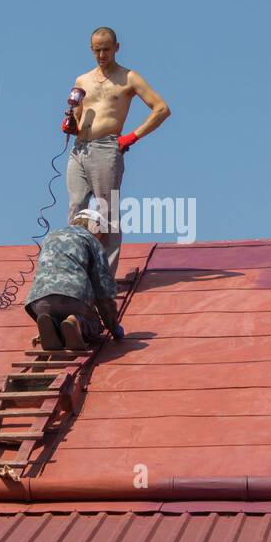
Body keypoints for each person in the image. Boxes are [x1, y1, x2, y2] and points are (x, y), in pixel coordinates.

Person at [63, 26, 171, 277]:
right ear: (91, 49)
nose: (102, 54)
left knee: (105, 211)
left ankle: (105, 279)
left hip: (106, 148)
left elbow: (161, 109)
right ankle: (75, 272)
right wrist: (70, 123)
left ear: (117, 48)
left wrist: (131, 137)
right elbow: (77, 115)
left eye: (107, 49)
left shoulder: (129, 77)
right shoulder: (82, 80)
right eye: (97, 50)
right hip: (79, 149)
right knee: (76, 207)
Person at [25, 209, 125, 351]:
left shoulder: (51, 236)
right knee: (95, 325)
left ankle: (50, 322)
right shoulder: (91, 241)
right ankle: (76, 322)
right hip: (73, 298)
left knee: (57, 318)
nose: (101, 238)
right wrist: (114, 328)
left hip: (38, 301)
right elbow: (103, 290)